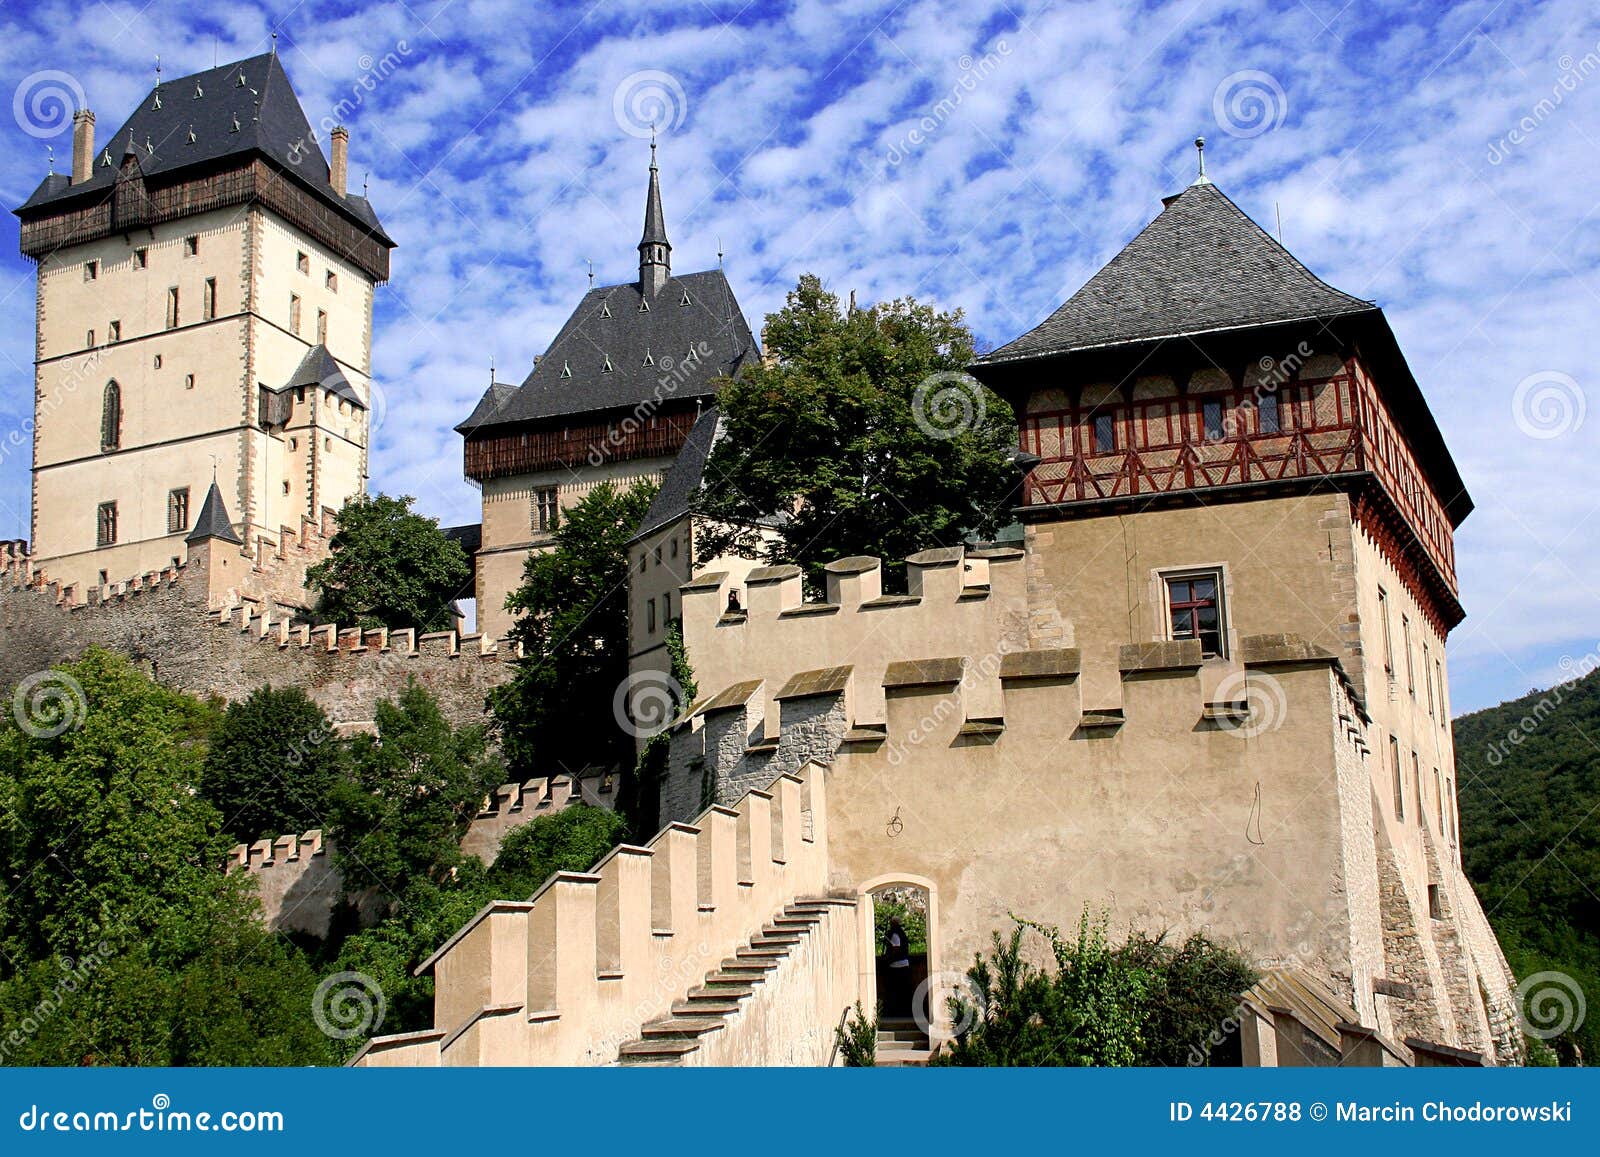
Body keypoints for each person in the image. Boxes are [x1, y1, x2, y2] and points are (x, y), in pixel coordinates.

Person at [884, 915, 912, 1016]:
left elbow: (896, 949)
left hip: (897, 966)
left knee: (897, 990)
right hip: (904, 964)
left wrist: (888, 959)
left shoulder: (895, 934)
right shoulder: (901, 932)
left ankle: (898, 1011)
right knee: (903, 990)